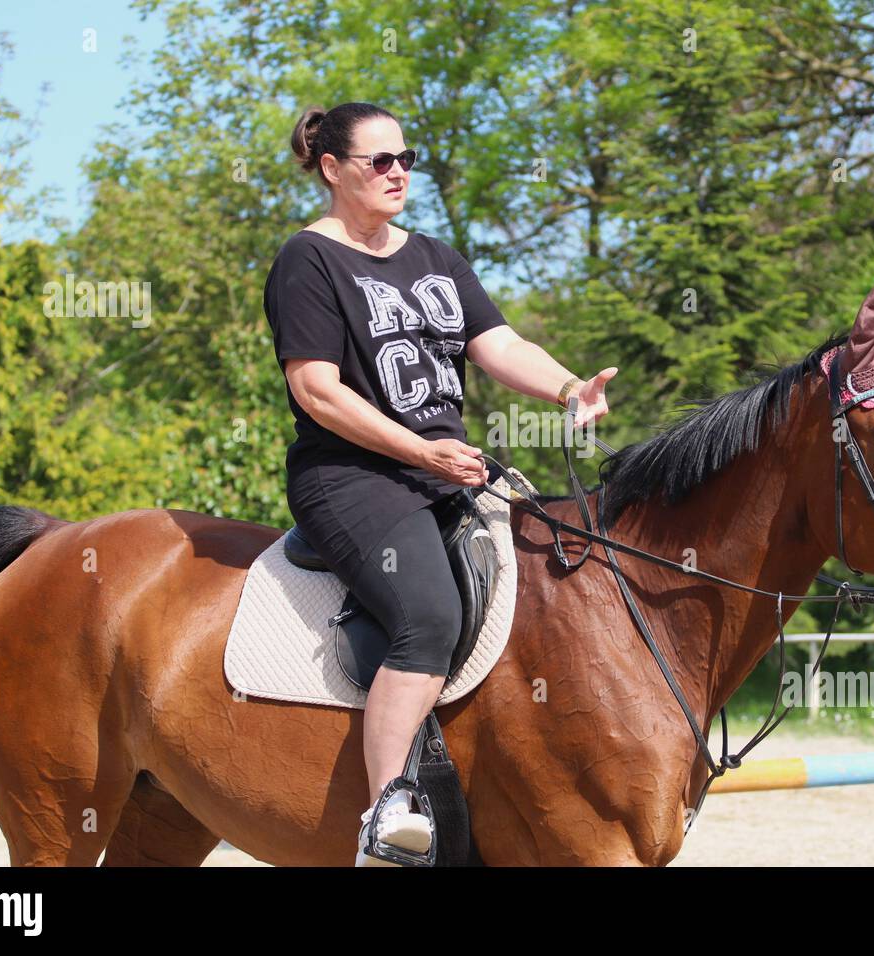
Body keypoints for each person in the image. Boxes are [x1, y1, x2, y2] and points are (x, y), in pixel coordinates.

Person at [263, 102, 617, 865]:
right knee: (428, 613)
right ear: (331, 168)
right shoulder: (308, 260)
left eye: (406, 159)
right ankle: (386, 813)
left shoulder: (435, 256)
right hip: (352, 475)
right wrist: (422, 455)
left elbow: (499, 343)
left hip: (447, 472)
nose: (398, 173)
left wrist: (567, 388)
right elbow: (318, 390)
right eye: (378, 161)